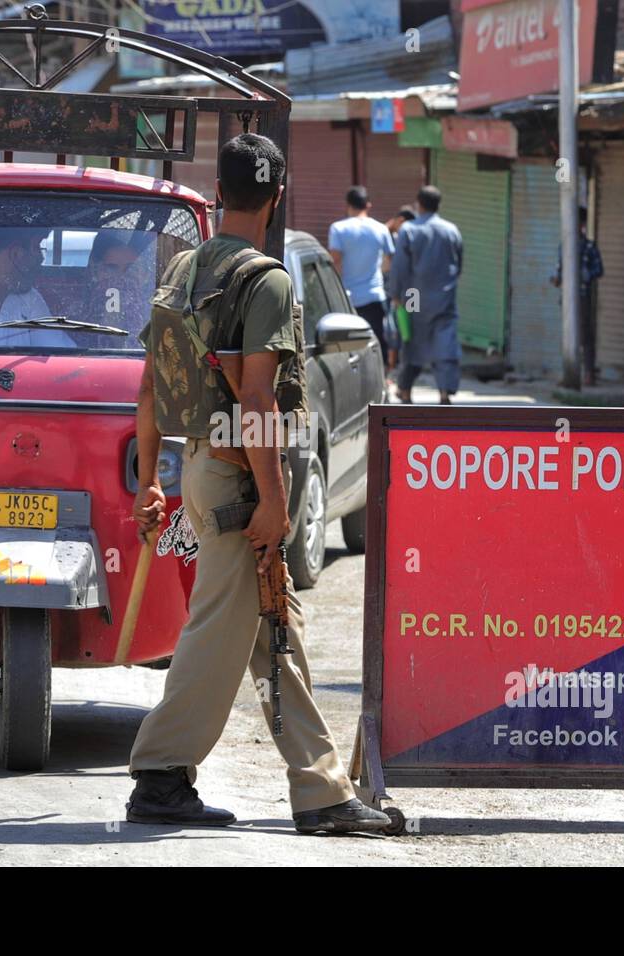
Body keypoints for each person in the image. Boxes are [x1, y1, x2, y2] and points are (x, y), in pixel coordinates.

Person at [125, 132, 389, 835]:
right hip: (242, 480)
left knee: (275, 629)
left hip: (203, 470)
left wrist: (150, 482)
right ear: (276, 199)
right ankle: (159, 772)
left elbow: (151, 390)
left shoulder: (183, 271)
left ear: (217, 196)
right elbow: (259, 402)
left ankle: (320, 791)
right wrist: (275, 504)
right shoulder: (266, 279)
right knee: (220, 628)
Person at [387, 185, 464, 405]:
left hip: (413, 296)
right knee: (445, 343)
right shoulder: (452, 231)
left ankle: (405, 389)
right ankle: (445, 391)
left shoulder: (409, 230)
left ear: (418, 204)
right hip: (444, 296)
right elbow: (458, 266)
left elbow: (399, 267)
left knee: (413, 342)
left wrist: (396, 293)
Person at [328, 186, 394, 378]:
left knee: (349, 346)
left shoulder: (338, 229)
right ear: (368, 205)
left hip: (347, 298)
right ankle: (380, 378)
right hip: (374, 296)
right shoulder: (381, 229)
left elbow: (336, 262)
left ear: (348, 205)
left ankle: (353, 379)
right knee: (375, 341)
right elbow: (390, 262)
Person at [551, 206, 604, 386]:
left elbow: (598, 270)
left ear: (581, 224)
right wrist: (557, 280)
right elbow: (558, 271)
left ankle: (588, 374)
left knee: (585, 337)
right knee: (568, 336)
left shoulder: (589, 247)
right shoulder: (563, 246)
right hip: (566, 299)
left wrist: (584, 275)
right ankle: (569, 372)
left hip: (583, 297)